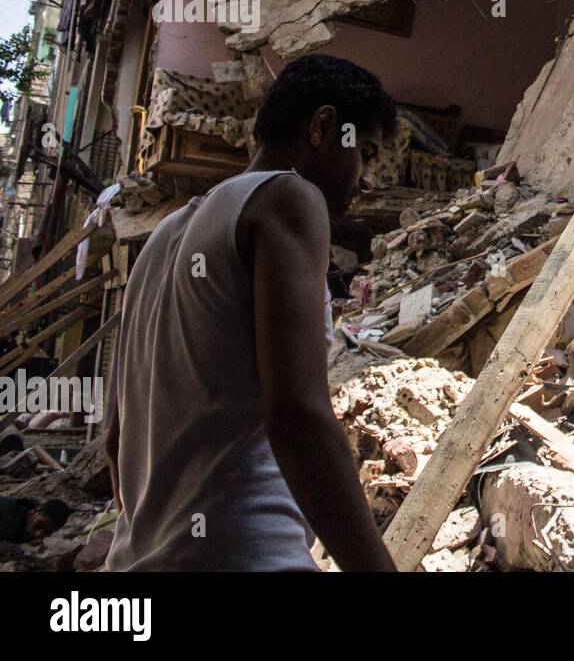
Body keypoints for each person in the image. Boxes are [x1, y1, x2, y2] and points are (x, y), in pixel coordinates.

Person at [105, 54, 398, 571]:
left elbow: (115, 439)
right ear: (323, 126)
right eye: (366, 153)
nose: (367, 179)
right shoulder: (287, 199)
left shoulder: (160, 242)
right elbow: (298, 416)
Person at [0, 496, 71, 543]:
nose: (38, 534)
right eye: (40, 525)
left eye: (46, 533)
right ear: (37, 510)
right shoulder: (6, 511)